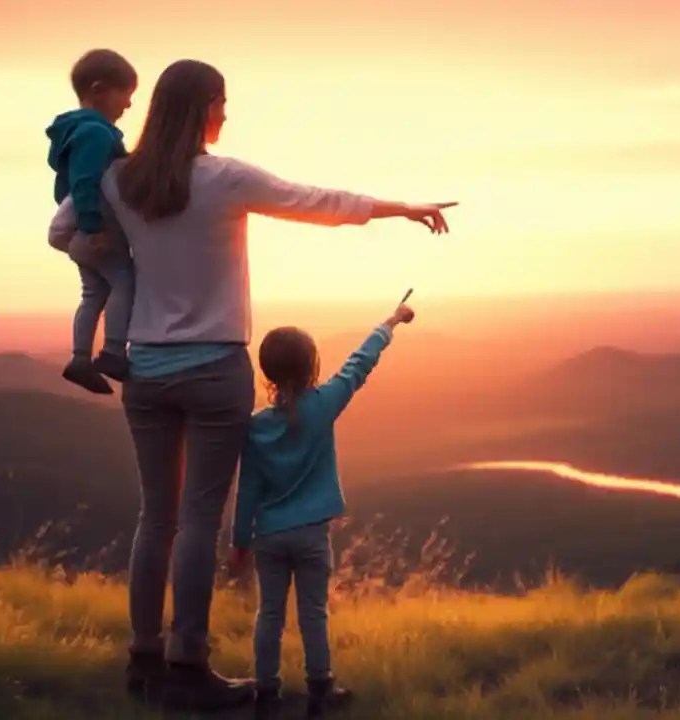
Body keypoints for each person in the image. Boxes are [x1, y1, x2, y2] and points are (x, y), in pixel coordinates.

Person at [63, 57, 455, 712]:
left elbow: (69, 233)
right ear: (207, 106)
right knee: (196, 520)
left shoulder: (116, 180)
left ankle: (143, 661)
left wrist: (100, 280)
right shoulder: (224, 178)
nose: (227, 114)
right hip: (213, 370)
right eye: (223, 102)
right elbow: (317, 203)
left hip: (144, 372)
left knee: (153, 517)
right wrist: (402, 209)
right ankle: (187, 664)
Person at [229, 302, 415, 718]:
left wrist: (240, 543)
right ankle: (320, 691)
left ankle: (266, 694)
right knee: (313, 612)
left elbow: (248, 490)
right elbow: (358, 364)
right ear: (312, 368)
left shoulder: (255, 428)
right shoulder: (323, 405)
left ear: (268, 374)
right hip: (311, 533)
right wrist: (389, 323)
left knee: (269, 614)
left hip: (269, 535)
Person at [45, 48, 138, 395]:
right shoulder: (95, 134)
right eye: (125, 95)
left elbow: (67, 185)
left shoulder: (73, 132)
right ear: (99, 89)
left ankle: (80, 359)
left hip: (78, 235)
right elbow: (85, 180)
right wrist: (92, 224)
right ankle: (114, 351)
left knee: (93, 292)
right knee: (124, 282)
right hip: (94, 230)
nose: (128, 105)